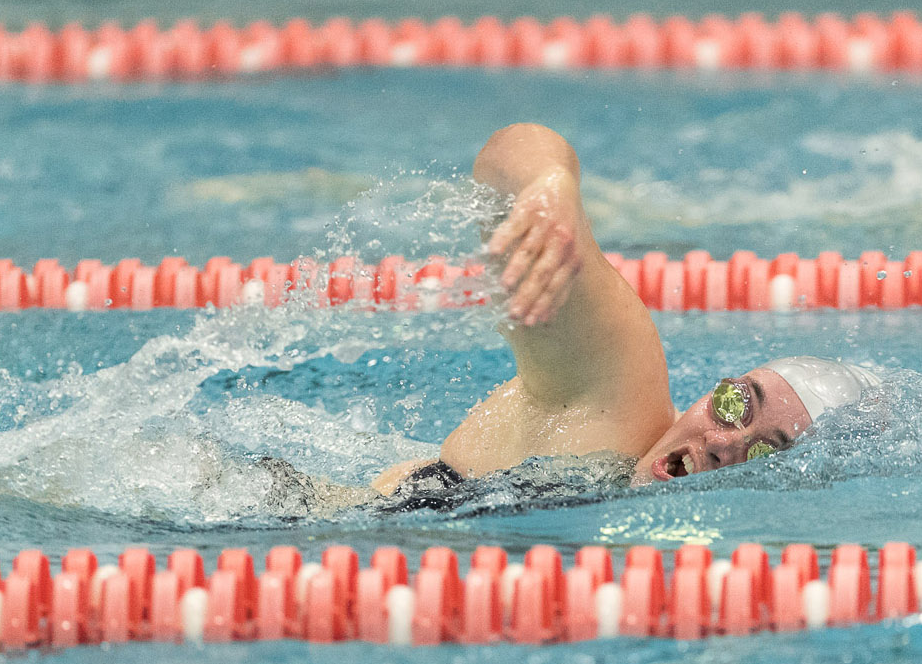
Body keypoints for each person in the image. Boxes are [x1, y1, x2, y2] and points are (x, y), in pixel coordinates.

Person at [374, 122, 883, 502]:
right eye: (736, 404)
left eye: (766, 452)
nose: (725, 442)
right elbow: (507, 153)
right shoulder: (613, 404)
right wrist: (550, 184)